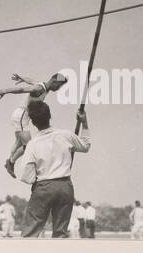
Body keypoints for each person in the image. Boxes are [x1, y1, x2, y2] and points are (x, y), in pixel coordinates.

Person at [18, 100, 90, 238]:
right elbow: (86, 146)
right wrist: (84, 122)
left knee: (29, 234)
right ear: (50, 116)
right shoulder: (66, 135)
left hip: (43, 187)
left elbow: (27, 177)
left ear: (33, 123)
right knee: (60, 234)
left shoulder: (32, 144)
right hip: (65, 187)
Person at [0, 71, 69, 177]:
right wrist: (5, 91)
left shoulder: (43, 86)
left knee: (19, 143)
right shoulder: (40, 89)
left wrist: (22, 78)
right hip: (21, 116)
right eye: (59, 85)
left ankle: (10, 161)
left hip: (21, 116)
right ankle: (11, 162)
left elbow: (31, 81)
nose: (58, 89)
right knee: (29, 146)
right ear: (54, 81)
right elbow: (22, 89)